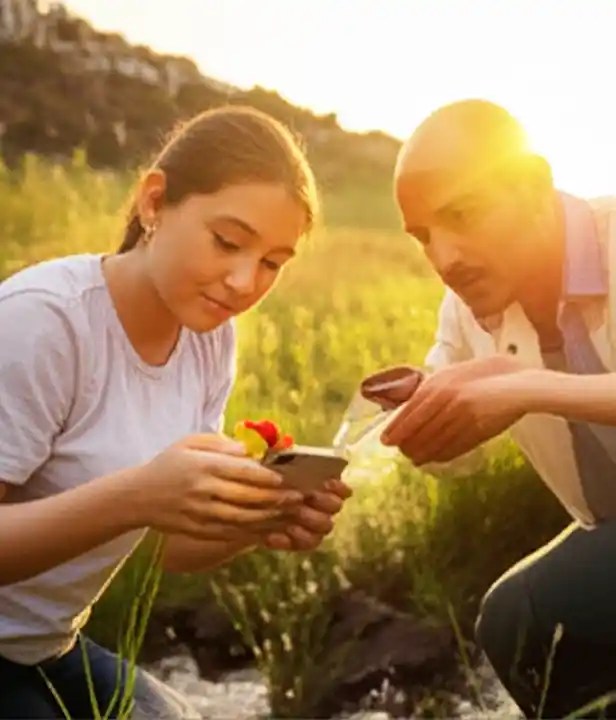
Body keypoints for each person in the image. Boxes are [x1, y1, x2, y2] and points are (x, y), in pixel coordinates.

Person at [0, 106, 352, 719]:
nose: (245, 282)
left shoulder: (209, 336)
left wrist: (254, 521)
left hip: (43, 648)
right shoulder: (44, 323)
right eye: (228, 242)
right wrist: (136, 496)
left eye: (273, 262)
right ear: (154, 203)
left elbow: (167, 548)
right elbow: (137, 505)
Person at [379, 99, 616, 719]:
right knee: (510, 627)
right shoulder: (464, 312)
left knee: (524, 610)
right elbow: (463, 457)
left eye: (463, 215)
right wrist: (422, 417)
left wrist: (526, 388)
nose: (443, 257)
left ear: (533, 184)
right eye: (424, 235)